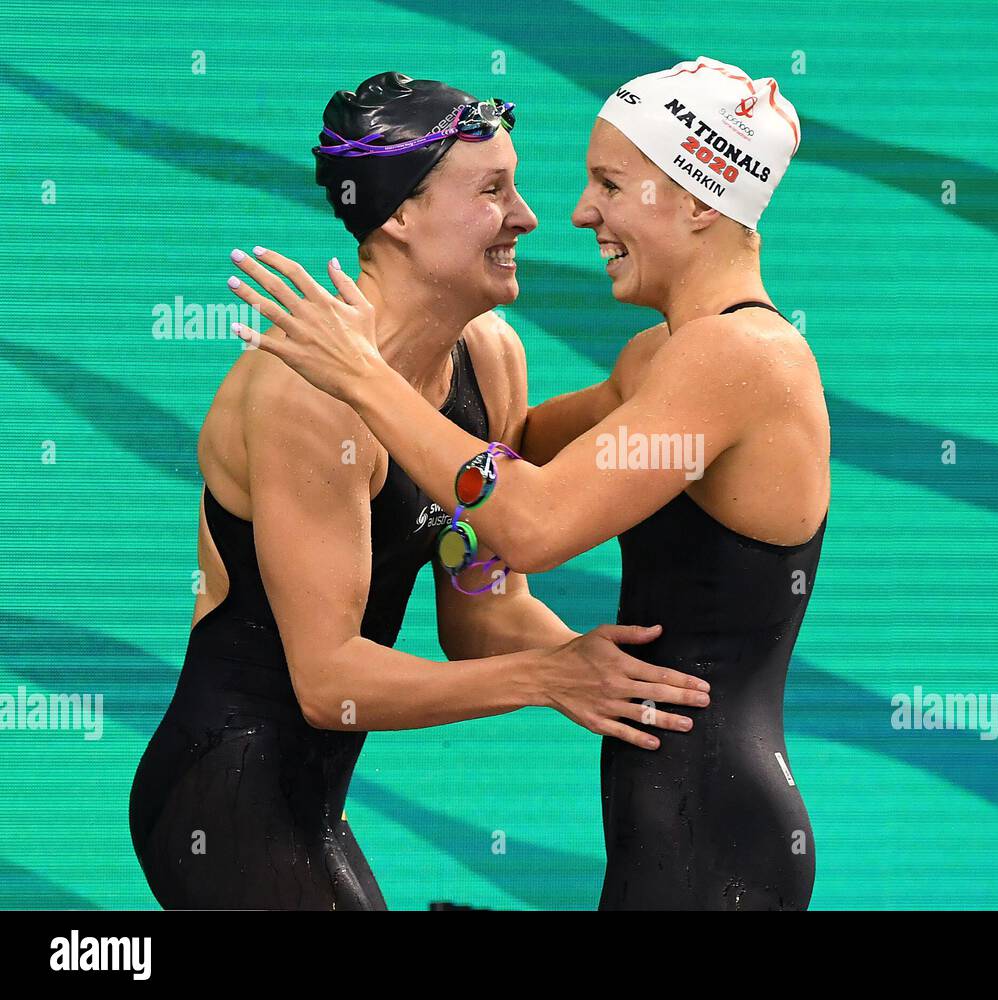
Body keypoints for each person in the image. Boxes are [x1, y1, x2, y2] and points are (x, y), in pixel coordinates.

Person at [228, 56, 829, 910]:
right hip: (673, 813)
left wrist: (362, 377)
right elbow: (498, 459)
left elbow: (532, 521)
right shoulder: (664, 358)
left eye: (610, 185)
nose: (580, 213)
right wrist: (428, 354)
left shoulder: (742, 359)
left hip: (714, 831)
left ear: (697, 198)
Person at [129, 72, 710, 911]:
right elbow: (328, 684)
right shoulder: (304, 397)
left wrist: (613, 677)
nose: (529, 218)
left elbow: (479, 610)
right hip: (219, 788)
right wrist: (550, 678)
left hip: (312, 802)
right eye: (493, 191)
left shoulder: (491, 358)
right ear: (399, 214)